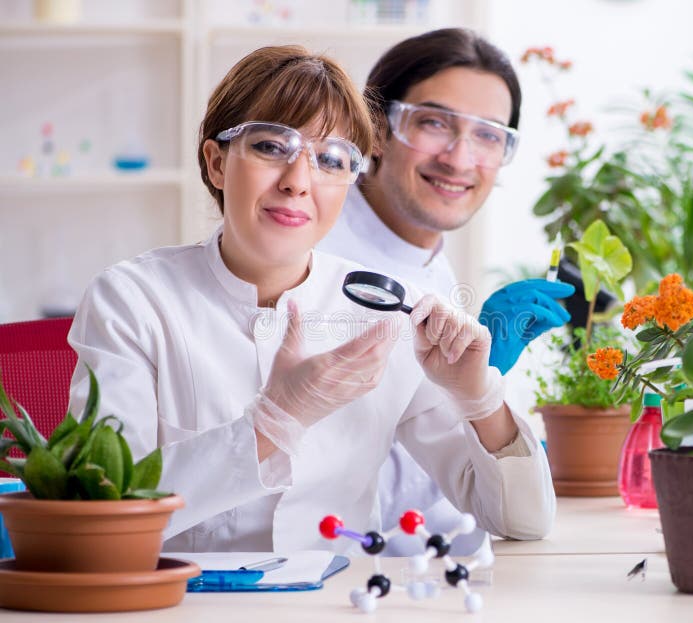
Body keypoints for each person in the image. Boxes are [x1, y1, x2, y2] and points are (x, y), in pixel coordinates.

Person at [66, 45, 556, 555]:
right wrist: (273, 421)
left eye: (329, 160)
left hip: (341, 603)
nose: (299, 181)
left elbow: (524, 520)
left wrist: (479, 398)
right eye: (271, 147)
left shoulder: (389, 313)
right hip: (184, 604)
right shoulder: (133, 301)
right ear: (216, 163)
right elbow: (97, 519)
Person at [318, 28, 574, 554]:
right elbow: (342, 480)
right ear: (378, 131)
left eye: (488, 135)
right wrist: (473, 399)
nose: (460, 159)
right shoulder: (313, 257)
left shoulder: (431, 265)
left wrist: (482, 384)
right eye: (434, 123)